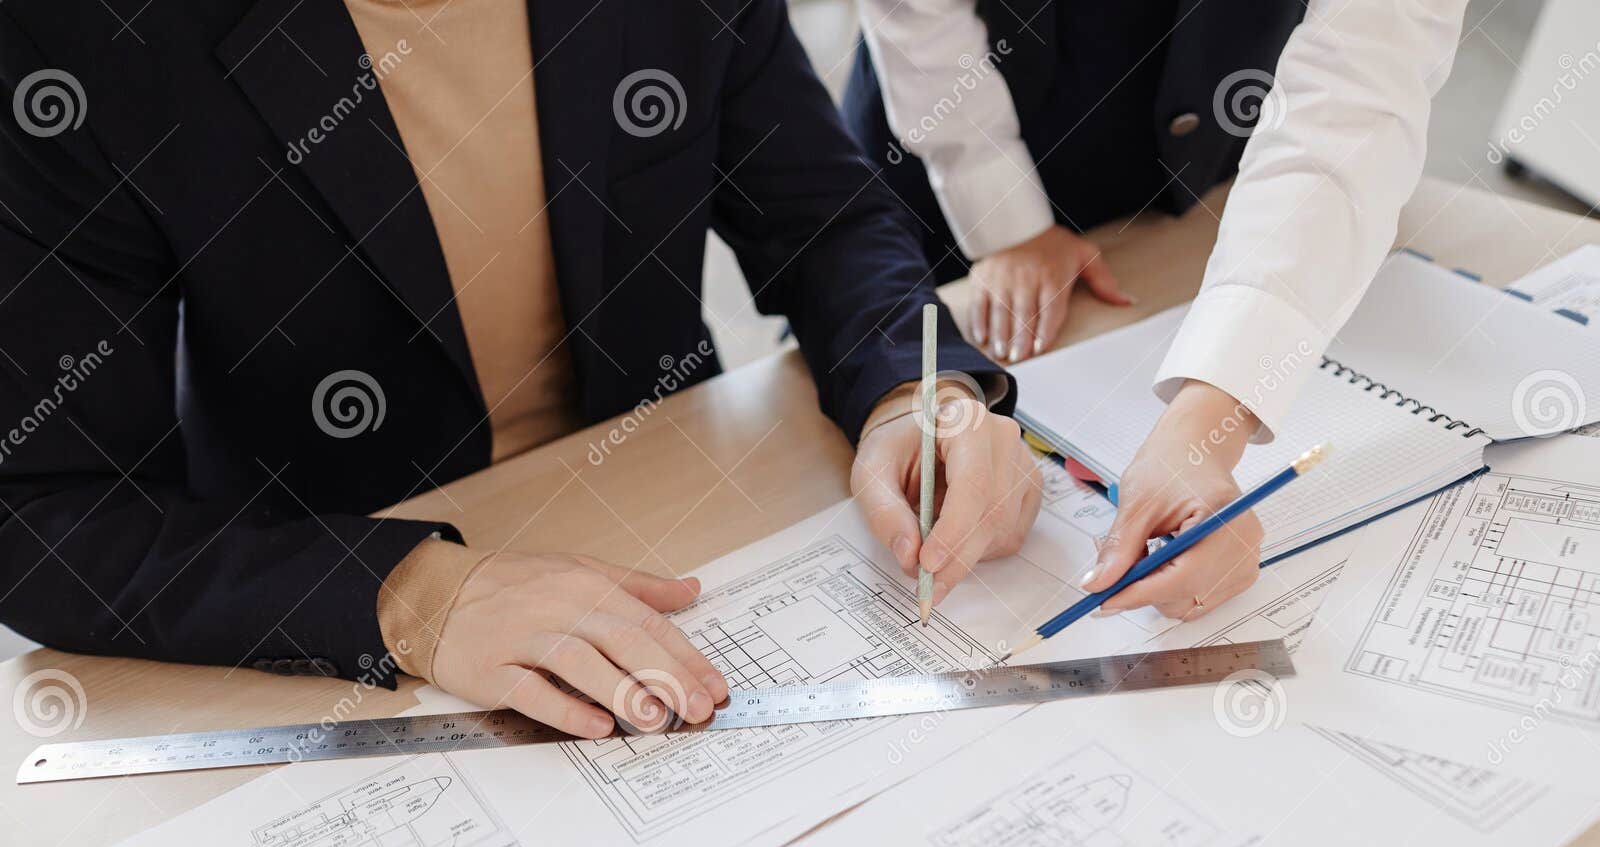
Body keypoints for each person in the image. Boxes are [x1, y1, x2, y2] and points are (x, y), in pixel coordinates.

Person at [0, 0, 1041, 737]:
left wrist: (921, 388)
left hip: (677, 529)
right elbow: (39, 511)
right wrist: (414, 598)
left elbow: (824, 223)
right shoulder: (80, 36)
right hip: (327, 604)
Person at [848, 0, 1467, 620]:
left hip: (1202, 161)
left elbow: (1357, 88)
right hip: (943, 115)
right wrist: (1003, 215)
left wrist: (1209, 419)